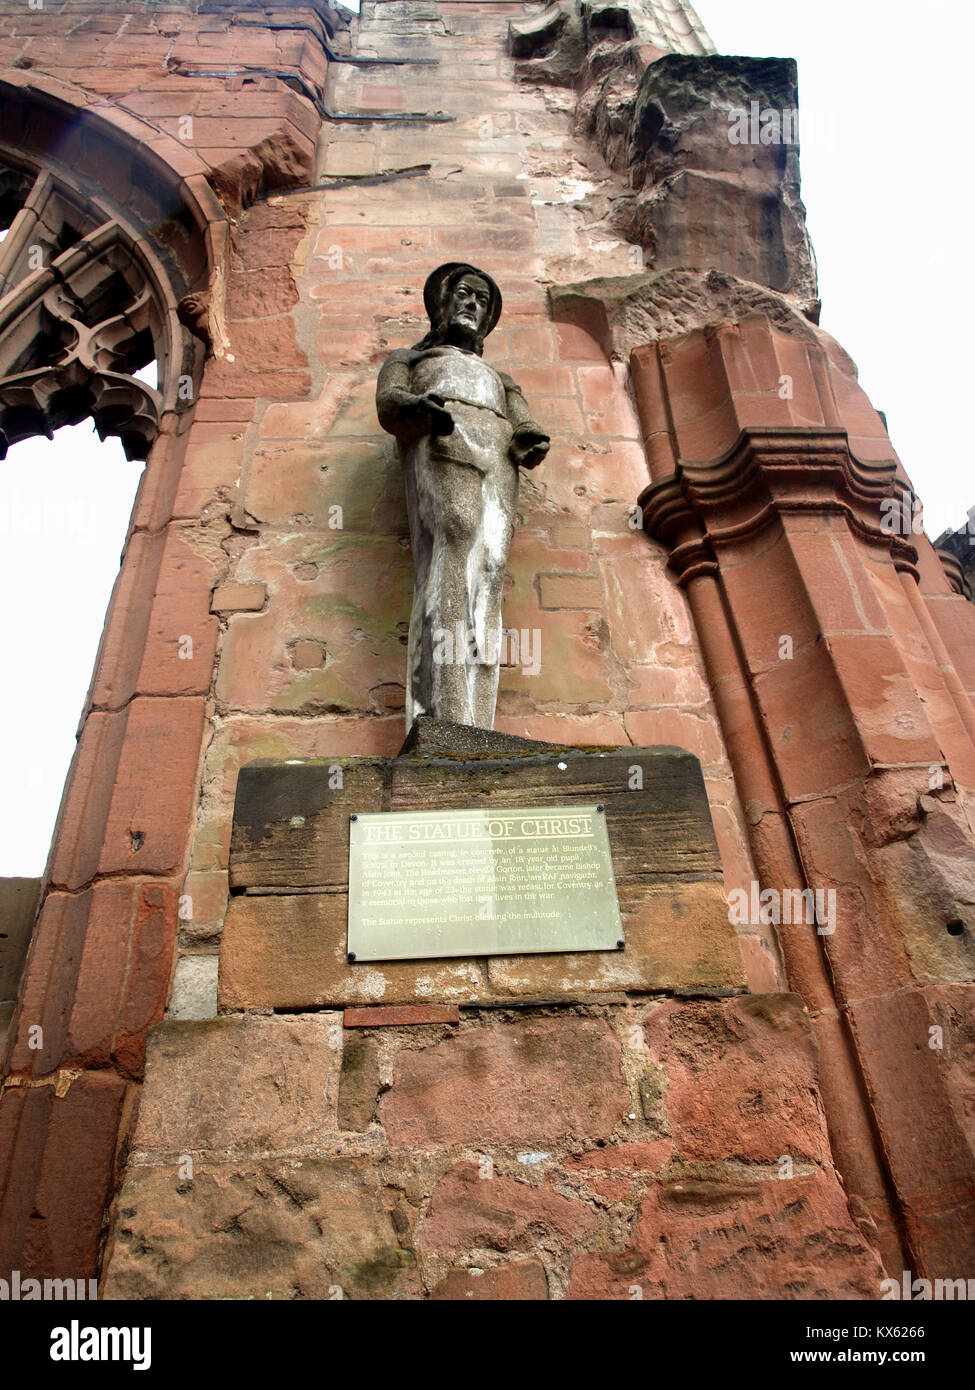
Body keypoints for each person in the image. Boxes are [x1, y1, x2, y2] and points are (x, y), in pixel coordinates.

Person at [376, 262, 549, 729]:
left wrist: (528, 437)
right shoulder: (409, 360)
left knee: (491, 566)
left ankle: (476, 715)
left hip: (497, 454)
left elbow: (521, 418)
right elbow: (389, 403)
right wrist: (417, 407)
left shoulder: (499, 376)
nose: (473, 304)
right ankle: (445, 708)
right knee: (457, 538)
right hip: (444, 435)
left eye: (483, 300)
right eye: (465, 294)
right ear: (442, 302)